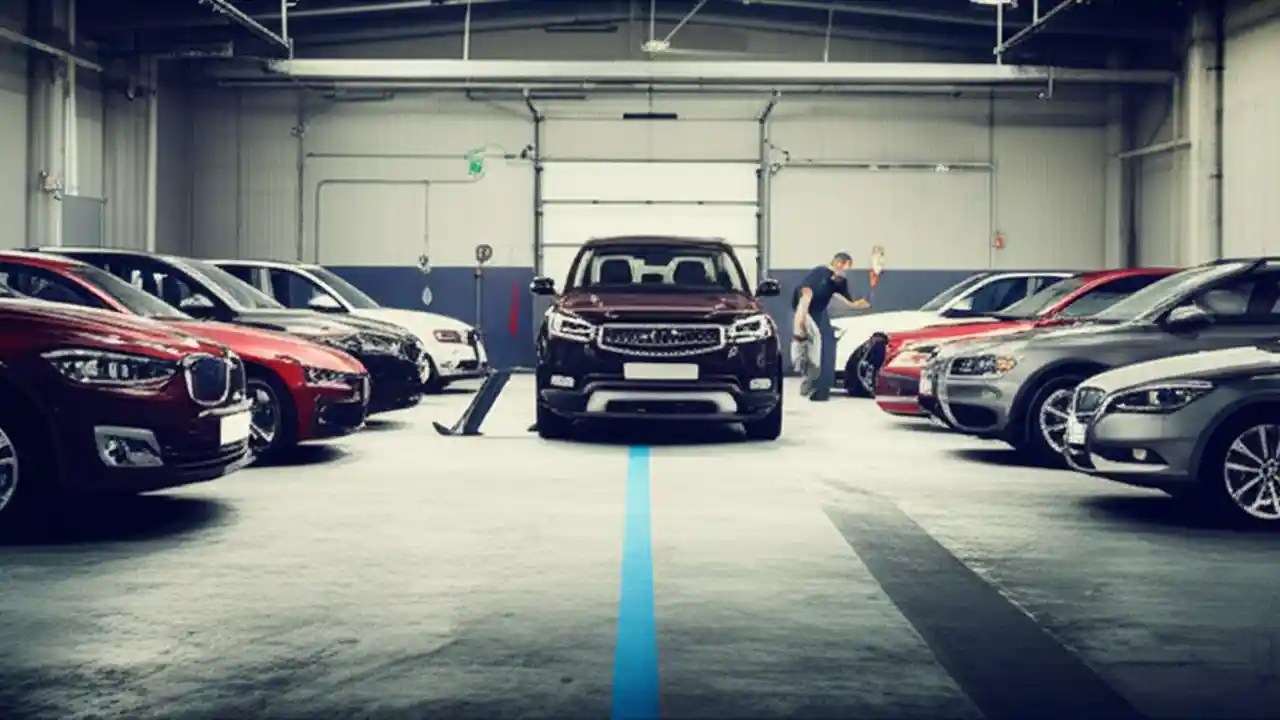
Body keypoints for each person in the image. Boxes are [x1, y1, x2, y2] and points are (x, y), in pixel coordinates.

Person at [792, 252, 871, 401]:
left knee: (828, 348)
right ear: (839, 263)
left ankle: (821, 389)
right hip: (808, 313)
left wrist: (855, 304)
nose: (845, 271)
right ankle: (813, 385)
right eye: (845, 267)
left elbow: (844, 296)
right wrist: (802, 317)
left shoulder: (838, 281)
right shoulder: (820, 273)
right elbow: (805, 292)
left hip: (820, 314)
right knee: (814, 350)